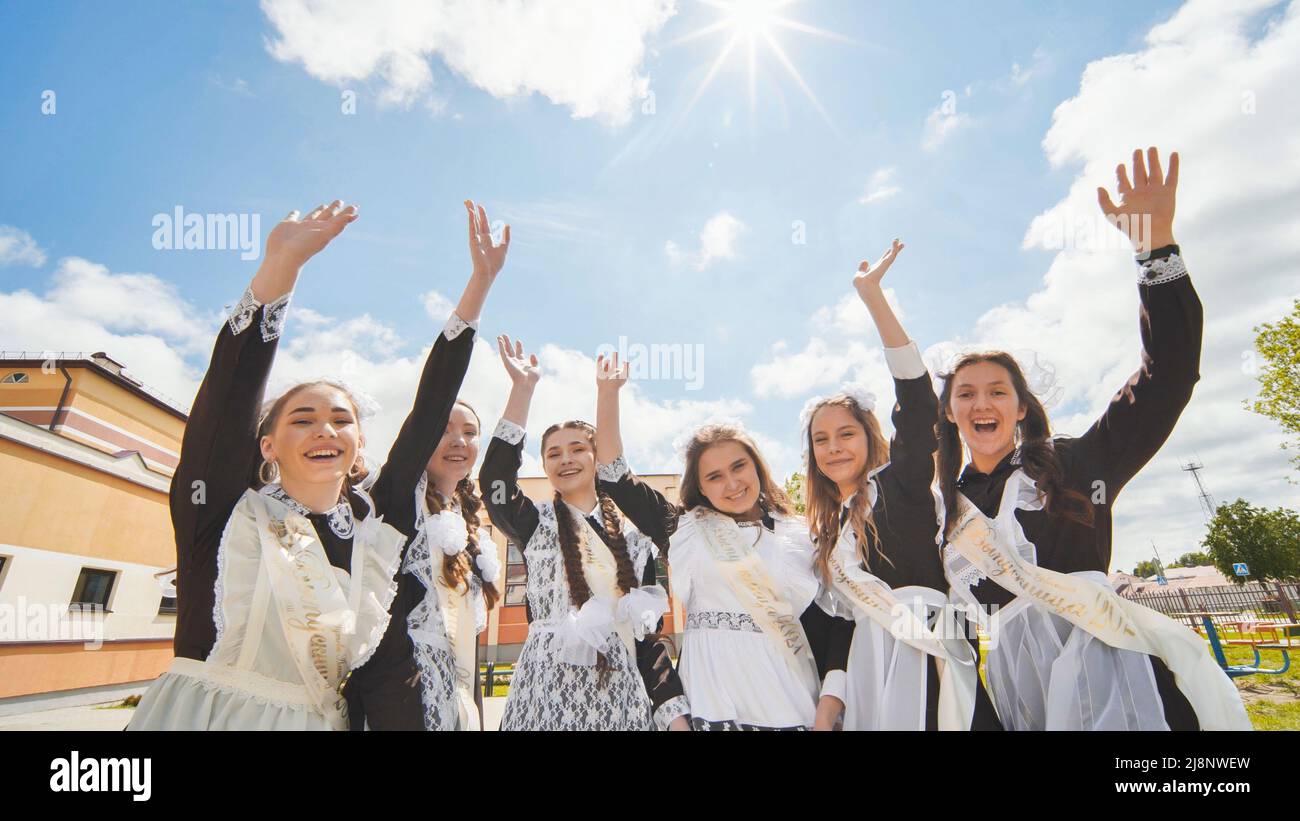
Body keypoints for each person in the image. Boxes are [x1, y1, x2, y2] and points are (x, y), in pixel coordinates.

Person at [129, 199, 501, 730]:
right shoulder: (220, 509)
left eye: (340, 420)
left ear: (358, 443)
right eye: (303, 419)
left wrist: (479, 286)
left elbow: (430, 410)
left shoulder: (379, 527)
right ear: (267, 446)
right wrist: (281, 268)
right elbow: (228, 394)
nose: (325, 429)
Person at [936, 148, 1250, 730]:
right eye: (966, 393)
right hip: (1015, 685)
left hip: (1108, 667)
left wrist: (1155, 248)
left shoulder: (1077, 461)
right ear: (951, 413)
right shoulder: (942, 512)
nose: (982, 402)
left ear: (1022, 406)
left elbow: (1169, 377)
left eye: (997, 391)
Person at [800, 239, 1000, 730]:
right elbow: (839, 625)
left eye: (846, 433)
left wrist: (873, 298)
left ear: (869, 437)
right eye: (821, 440)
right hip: (871, 659)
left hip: (928, 642)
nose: (834, 448)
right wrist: (833, 698)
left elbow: (917, 405)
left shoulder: (901, 482)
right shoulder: (828, 528)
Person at [478, 336, 684, 730]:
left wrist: (673, 716)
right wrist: (522, 390)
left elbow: (647, 639)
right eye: (553, 453)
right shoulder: (533, 523)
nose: (566, 459)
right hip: (544, 696)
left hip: (618, 698)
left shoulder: (635, 537)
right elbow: (495, 484)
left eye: (577, 449)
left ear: (596, 456)